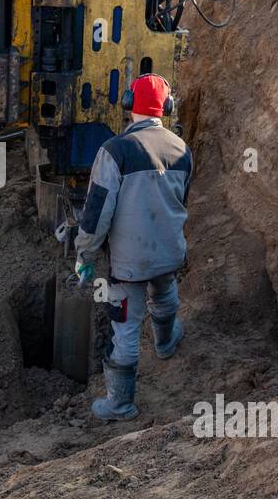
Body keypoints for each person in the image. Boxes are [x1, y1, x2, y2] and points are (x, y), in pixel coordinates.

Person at [74, 73, 192, 421]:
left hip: (129, 262)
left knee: (125, 328)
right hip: (169, 252)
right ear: (166, 108)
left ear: (129, 105)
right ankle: (166, 342)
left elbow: (97, 212)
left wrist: (85, 254)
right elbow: (180, 201)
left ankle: (121, 404)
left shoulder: (115, 151)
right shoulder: (183, 149)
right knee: (165, 291)